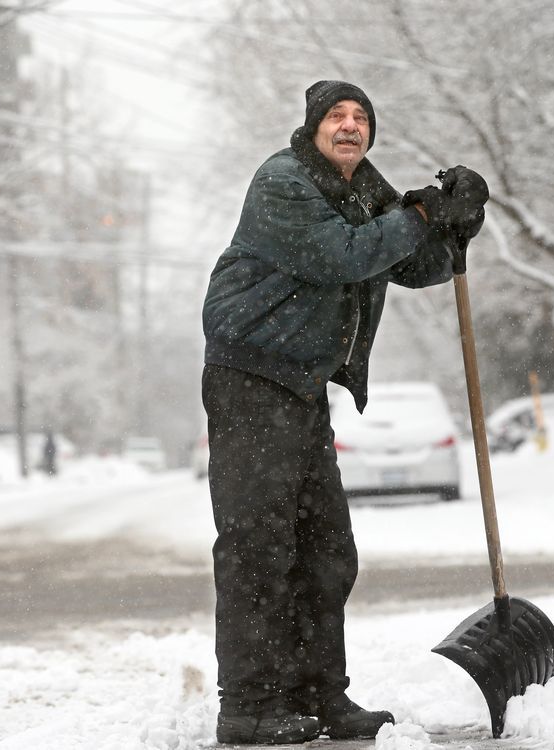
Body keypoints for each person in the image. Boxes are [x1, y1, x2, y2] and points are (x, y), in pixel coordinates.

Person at [201, 80, 487, 745]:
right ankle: (247, 708)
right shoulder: (284, 182)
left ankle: (321, 697)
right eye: (337, 116)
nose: (350, 127)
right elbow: (343, 255)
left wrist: (456, 228)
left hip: (302, 389)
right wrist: (421, 211)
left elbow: (410, 265)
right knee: (258, 549)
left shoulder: (365, 189)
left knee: (327, 552)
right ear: (313, 128)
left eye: (361, 118)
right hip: (250, 378)